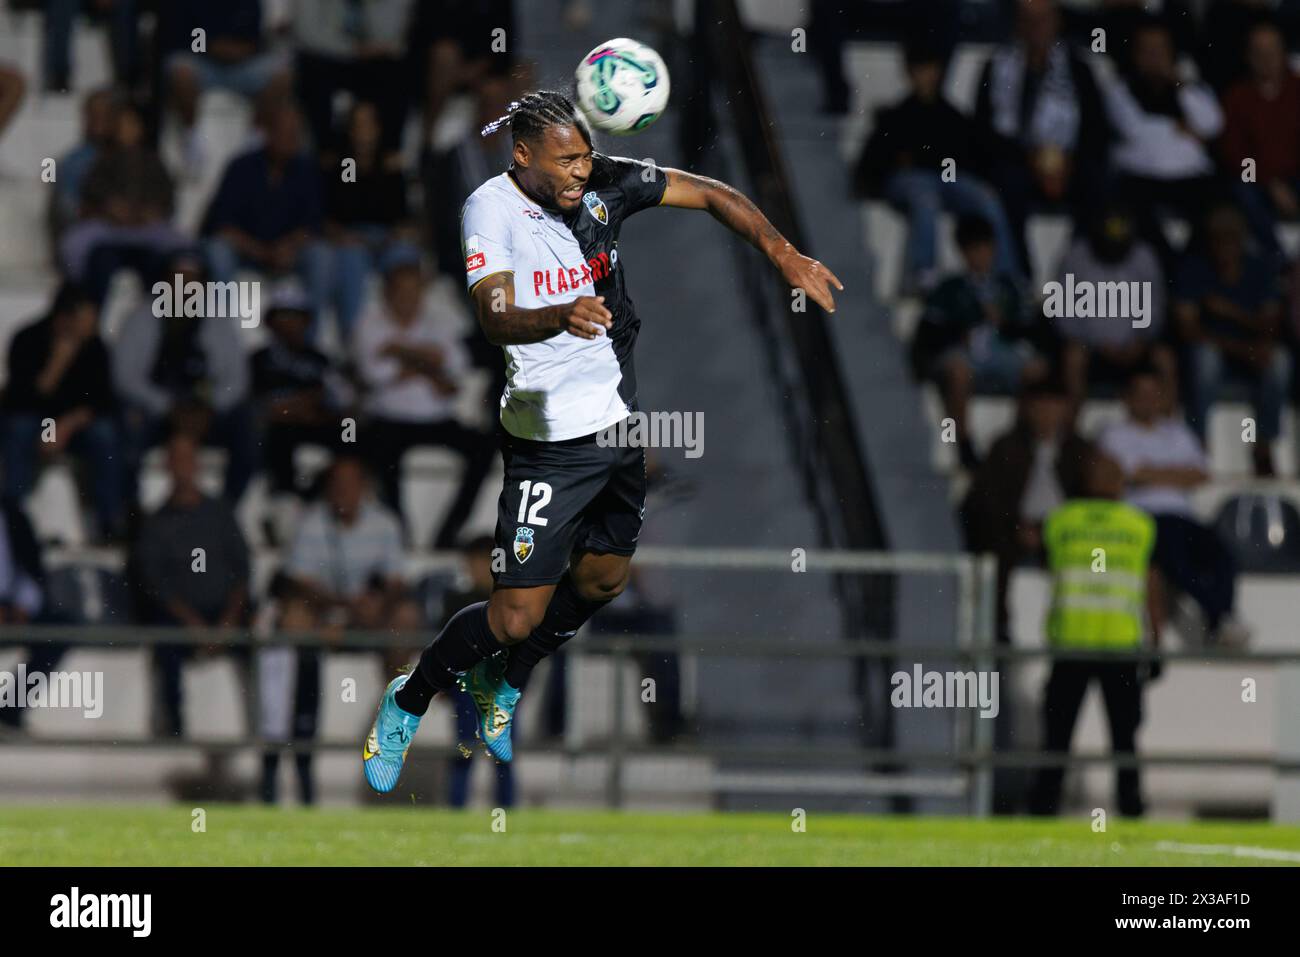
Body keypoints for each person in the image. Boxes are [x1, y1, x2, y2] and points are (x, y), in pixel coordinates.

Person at [360, 89, 843, 793]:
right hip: (548, 439)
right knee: (514, 614)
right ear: (522, 156)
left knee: (604, 578)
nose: (581, 171)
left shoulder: (604, 183)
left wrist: (782, 251)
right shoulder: (491, 210)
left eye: (585, 154)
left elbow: (709, 192)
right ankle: (407, 700)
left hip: (616, 424)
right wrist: (560, 312)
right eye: (565, 159)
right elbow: (494, 315)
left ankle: (508, 681)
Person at [1027, 452, 1163, 818]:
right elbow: (1151, 585)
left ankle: (1043, 806)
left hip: (1071, 643)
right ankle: (1132, 807)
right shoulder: (1139, 525)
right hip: (1119, 646)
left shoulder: (1060, 521)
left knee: (1057, 737)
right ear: (1120, 483)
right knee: (1124, 738)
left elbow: (1035, 548)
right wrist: (1156, 641)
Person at [854, 38, 1023, 291]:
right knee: (926, 197)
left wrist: (919, 158)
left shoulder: (951, 115)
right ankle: (924, 273)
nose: (926, 76)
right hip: (910, 183)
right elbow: (876, 161)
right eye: (920, 68)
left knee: (985, 198)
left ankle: (1004, 276)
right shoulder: (896, 116)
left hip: (945, 181)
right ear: (909, 72)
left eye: (930, 67)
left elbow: (969, 155)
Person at [1098, 366, 1248, 646]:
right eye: (1141, 394)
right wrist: (1175, 475)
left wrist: (1151, 473)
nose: (1148, 400)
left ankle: (1220, 618)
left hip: (1182, 517)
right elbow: (1129, 474)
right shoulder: (1114, 434)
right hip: (1142, 518)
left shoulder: (1177, 432)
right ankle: (1220, 616)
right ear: (1127, 398)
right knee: (1176, 560)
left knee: (1223, 555)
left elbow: (1200, 474)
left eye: (1153, 394)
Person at [354, 253, 495, 549]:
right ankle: (398, 533)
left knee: (483, 447)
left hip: (438, 420)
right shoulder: (370, 321)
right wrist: (429, 366)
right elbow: (374, 373)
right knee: (376, 450)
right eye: (401, 290)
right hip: (389, 419)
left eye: (414, 290)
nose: (408, 297)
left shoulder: (440, 319)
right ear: (387, 291)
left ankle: (449, 531)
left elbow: (455, 364)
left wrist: (399, 353)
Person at [973, 0, 1111, 271]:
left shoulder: (1078, 68)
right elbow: (982, 132)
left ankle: (1072, 269)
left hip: (1068, 164)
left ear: (1057, 22)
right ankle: (1020, 276)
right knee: (1005, 185)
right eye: (1028, 19)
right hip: (1018, 164)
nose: (1036, 28)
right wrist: (1031, 159)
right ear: (1017, 24)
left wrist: (1066, 164)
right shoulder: (997, 65)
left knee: (1098, 185)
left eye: (1043, 19)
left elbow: (1096, 131)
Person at [113, 250, 259, 506]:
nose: (184, 288)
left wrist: (209, 407)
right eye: (177, 279)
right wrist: (167, 406)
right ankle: (130, 511)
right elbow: (125, 376)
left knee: (248, 425)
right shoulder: (141, 318)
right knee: (127, 424)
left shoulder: (218, 320)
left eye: (192, 281)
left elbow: (237, 379)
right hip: (157, 411)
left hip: (206, 410)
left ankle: (226, 509)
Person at [132, 433, 251, 739]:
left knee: (263, 638)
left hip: (226, 613)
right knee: (164, 637)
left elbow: (242, 569)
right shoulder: (155, 523)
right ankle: (173, 727)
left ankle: (263, 729)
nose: (183, 467)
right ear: (167, 466)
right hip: (181, 618)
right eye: (177, 460)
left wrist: (228, 620)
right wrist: (193, 624)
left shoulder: (221, 513)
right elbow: (155, 584)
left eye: (188, 459)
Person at [910, 214, 1048, 468]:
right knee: (958, 370)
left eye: (985, 249)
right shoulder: (949, 288)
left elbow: (1031, 328)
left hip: (1002, 351)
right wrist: (960, 330)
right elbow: (929, 331)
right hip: (965, 353)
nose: (981, 256)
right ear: (963, 252)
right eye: (974, 249)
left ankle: (1018, 442)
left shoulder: (1009, 287)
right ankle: (964, 443)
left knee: (1036, 368)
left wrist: (1004, 324)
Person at [961, 379, 1093, 645]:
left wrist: (1054, 531)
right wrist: (1017, 526)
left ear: (1066, 409)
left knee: (1092, 559)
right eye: (1040, 407)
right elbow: (987, 499)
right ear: (1027, 409)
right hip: (1014, 529)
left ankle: (1076, 631)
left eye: (1053, 407)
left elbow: (1087, 500)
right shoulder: (1007, 446)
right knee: (994, 551)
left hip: (1064, 531)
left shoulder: (1079, 450)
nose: (1046, 414)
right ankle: (998, 629)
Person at [1171, 203, 1291, 476]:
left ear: (1241, 239)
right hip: (1217, 351)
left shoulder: (1259, 268)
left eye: (1231, 238)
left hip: (1248, 352)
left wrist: (1229, 312)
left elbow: (1270, 324)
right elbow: (1188, 329)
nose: (1225, 245)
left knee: (1279, 361)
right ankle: (1198, 443)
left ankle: (1263, 445)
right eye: (1218, 238)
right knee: (1205, 358)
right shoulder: (1194, 268)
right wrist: (1239, 347)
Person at [1, 283, 124, 540]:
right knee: (19, 429)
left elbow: (103, 401)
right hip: (36, 423)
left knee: (105, 435)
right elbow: (20, 400)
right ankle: (13, 514)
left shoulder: (94, 347)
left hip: (73, 427)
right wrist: (57, 364)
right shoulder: (28, 339)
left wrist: (66, 425)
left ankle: (108, 519)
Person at [1102, 18, 1224, 268]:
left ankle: (1187, 271)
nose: (1154, 58)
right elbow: (1134, 130)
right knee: (1130, 207)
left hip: (1189, 177)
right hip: (1140, 178)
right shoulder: (1120, 89)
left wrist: (1178, 85)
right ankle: (1168, 267)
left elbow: (1212, 124)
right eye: (1147, 50)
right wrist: (1179, 129)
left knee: (1217, 205)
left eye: (1160, 50)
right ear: (1135, 55)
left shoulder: (1190, 88)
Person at [200, 104, 332, 332]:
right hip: (247, 252)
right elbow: (221, 223)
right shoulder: (241, 166)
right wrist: (259, 250)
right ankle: (223, 333)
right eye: (285, 132)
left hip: (287, 254)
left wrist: (289, 247)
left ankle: (310, 338)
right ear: (269, 133)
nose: (291, 139)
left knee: (322, 256)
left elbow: (314, 223)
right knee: (217, 251)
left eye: (295, 133)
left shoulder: (307, 169)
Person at [1053, 202, 1173, 406]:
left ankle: (1171, 431)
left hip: (1135, 348)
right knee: (1073, 357)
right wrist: (1095, 342)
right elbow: (1063, 314)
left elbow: (1155, 309)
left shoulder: (1144, 256)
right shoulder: (1076, 256)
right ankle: (1071, 432)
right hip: (1091, 349)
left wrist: (1140, 341)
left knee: (1165, 358)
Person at [325, 101, 418, 338]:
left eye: (368, 125)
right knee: (351, 260)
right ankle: (352, 337)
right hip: (355, 238)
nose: (363, 132)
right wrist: (362, 167)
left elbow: (400, 212)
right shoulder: (346, 164)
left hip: (387, 239)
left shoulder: (390, 164)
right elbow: (345, 209)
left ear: (378, 129)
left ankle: (408, 334)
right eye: (358, 126)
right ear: (350, 131)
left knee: (406, 255)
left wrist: (395, 234)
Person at [251, 283, 351, 501]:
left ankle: (324, 490)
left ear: (306, 321)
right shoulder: (259, 360)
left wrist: (318, 409)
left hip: (317, 422)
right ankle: (285, 499)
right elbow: (260, 405)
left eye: (296, 316)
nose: (290, 324)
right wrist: (301, 404)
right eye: (283, 316)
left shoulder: (320, 359)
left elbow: (343, 400)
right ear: (270, 322)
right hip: (281, 426)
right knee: (278, 434)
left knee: (351, 432)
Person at [444, 536, 516, 808]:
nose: (475, 569)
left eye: (481, 562)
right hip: (466, 688)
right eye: (472, 563)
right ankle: (457, 808)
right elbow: (446, 646)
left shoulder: (510, 602)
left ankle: (505, 811)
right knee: (463, 749)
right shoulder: (457, 600)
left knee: (502, 755)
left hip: (501, 688)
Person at [1220, 19, 1300, 263]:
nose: (1266, 58)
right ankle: (1280, 261)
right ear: (1248, 56)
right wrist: (1270, 182)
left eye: (1272, 51)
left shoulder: (1297, 90)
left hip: (1295, 175)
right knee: (1243, 192)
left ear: (1283, 52)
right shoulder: (1237, 96)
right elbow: (1236, 151)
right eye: (1259, 52)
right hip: (1257, 180)